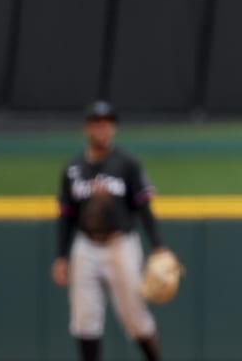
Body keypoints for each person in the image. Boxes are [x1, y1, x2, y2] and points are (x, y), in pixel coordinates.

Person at [52, 101, 165, 361]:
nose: (103, 129)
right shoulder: (73, 169)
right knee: (84, 318)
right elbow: (66, 215)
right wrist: (60, 256)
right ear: (87, 128)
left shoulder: (127, 163)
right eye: (97, 124)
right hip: (86, 245)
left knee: (134, 317)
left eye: (107, 124)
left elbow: (144, 207)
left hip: (120, 244)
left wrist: (158, 246)